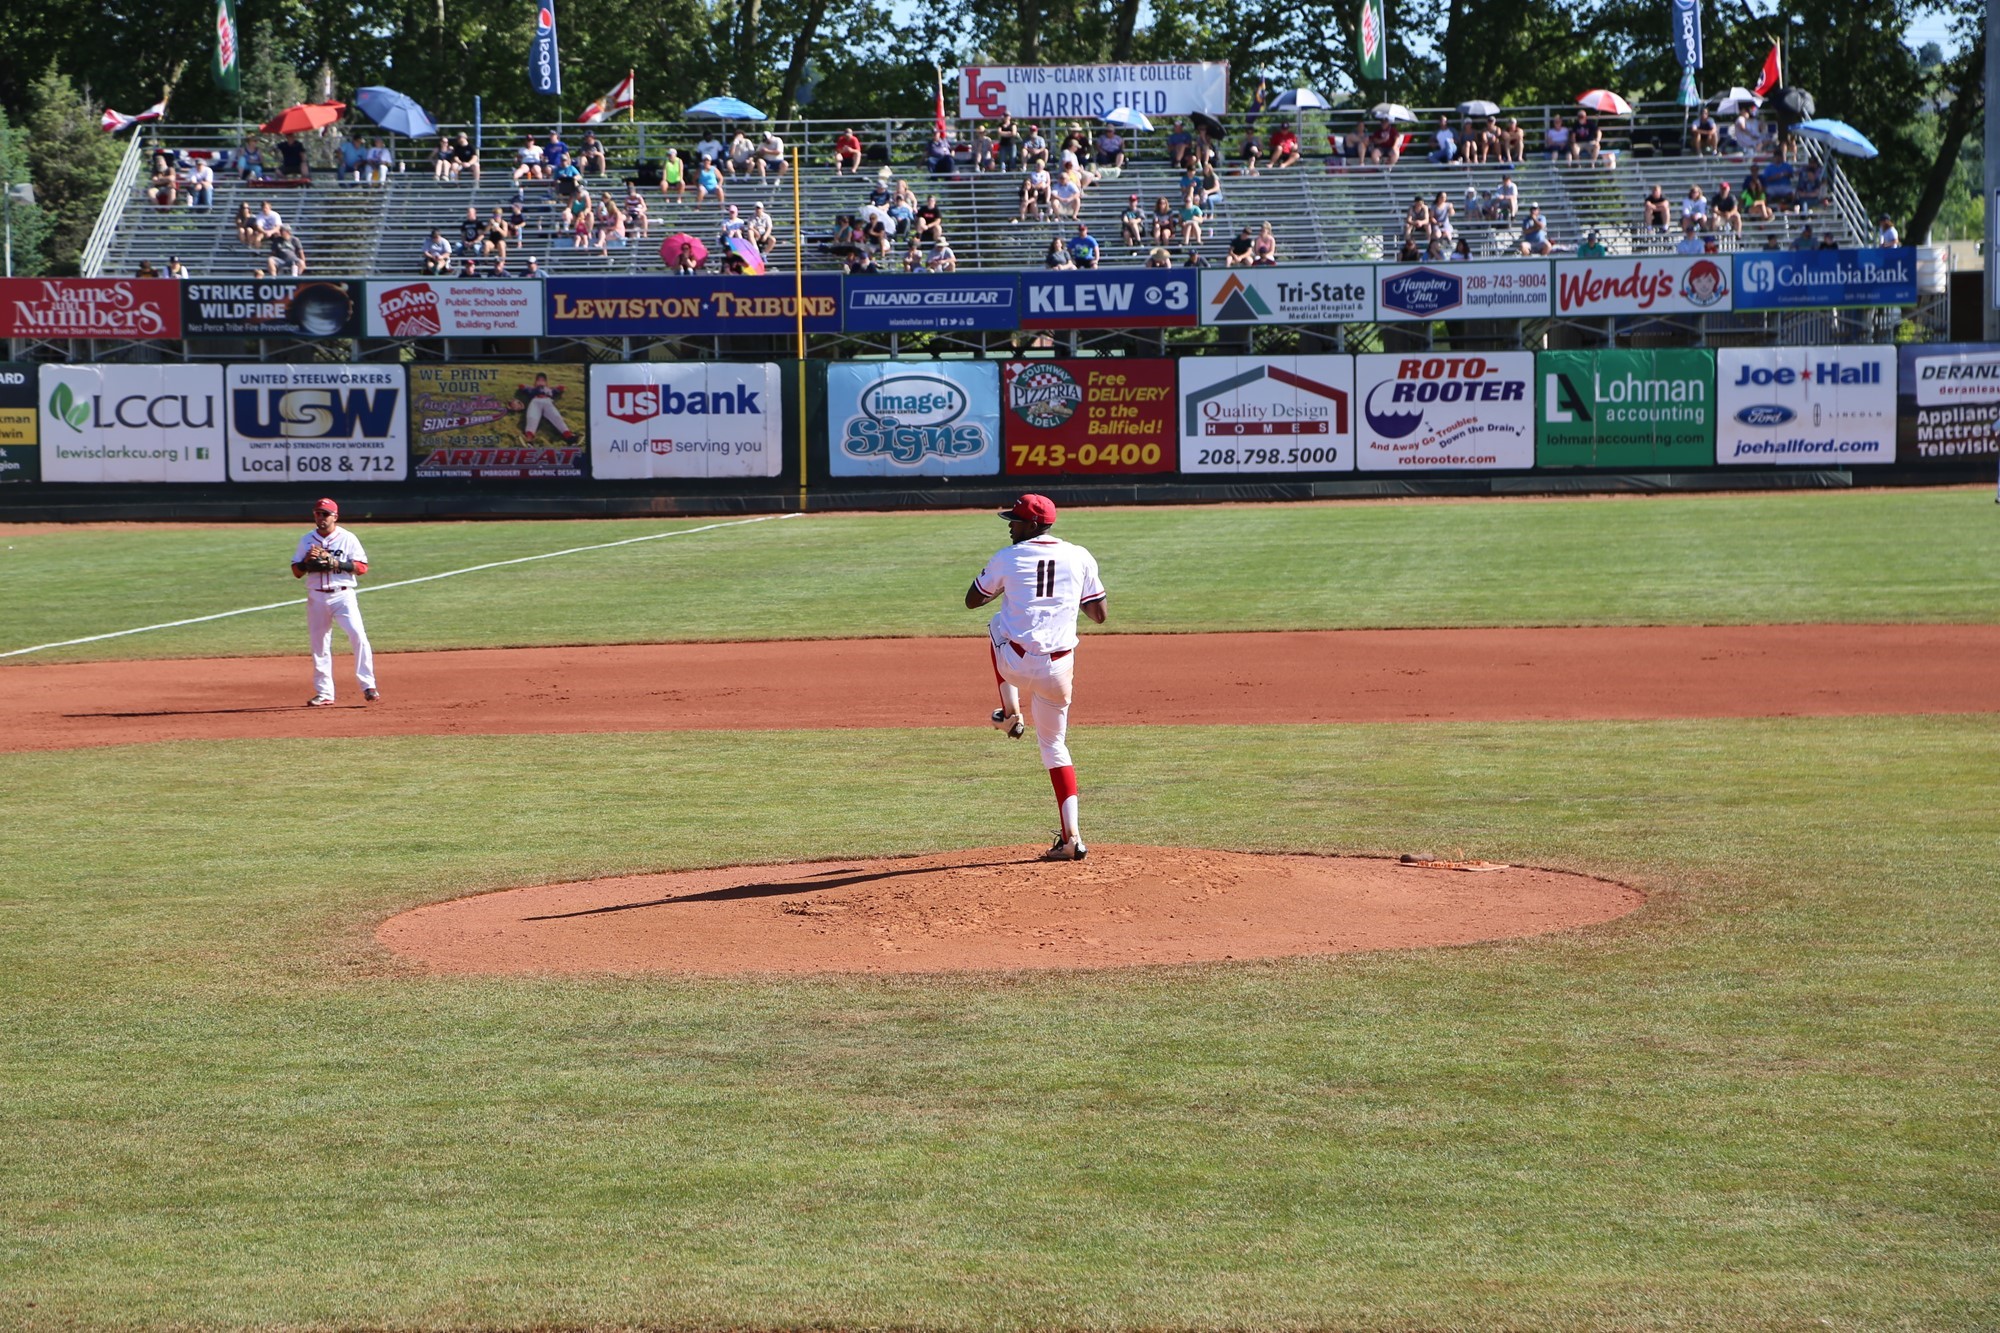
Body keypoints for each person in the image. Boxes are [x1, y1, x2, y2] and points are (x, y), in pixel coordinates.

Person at [965, 493, 1107, 862]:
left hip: (1015, 664)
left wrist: (1006, 586)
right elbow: (1099, 614)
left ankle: (1010, 713)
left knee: (996, 622)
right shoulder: (1080, 555)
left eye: (1014, 521)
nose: (1010, 526)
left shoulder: (1008, 557)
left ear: (1031, 525)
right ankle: (1072, 838)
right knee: (1055, 746)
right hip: (1058, 671)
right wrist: (1068, 596)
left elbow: (972, 600)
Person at [293, 499, 379, 707]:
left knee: (358, 636)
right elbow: (296, 571)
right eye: (318, 513)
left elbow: (362, 567)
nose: (321, 517)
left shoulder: (348, 538)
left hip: (343, 596)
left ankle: (368, 685)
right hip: (316, 597)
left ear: (335, 517)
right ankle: (324, 693)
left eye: (325, 514)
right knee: (319, 644)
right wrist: (306, 562)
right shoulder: (306, 540)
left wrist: (336, 563)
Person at [517, 372, 576, 444]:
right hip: (535, 401)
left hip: (547, 401)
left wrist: (560, 388)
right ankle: (529, 438)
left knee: (556, 416)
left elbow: (557, 390)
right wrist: (523, 387)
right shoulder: (532, 389)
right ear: (535, 382)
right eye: (538, 380)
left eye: (543, 380)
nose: (540, 382)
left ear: (546, 382)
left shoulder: (549, 390)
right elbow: (524, 388)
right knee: (532, 417)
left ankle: (568, 435)